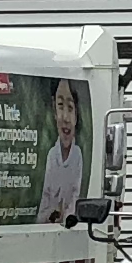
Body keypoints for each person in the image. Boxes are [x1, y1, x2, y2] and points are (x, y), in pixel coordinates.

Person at [38, 80, 87, 223]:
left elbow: (75, 198)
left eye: (70, 108)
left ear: (77, 115)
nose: (65, 118)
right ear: (54, 111)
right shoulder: (52, 155)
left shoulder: (78, 156)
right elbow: (44, 204)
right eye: (60, 106)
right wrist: (50, 215)